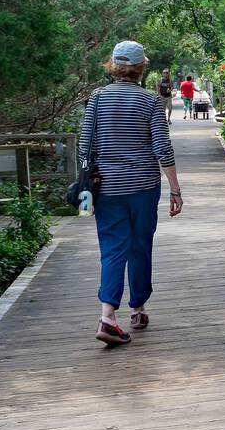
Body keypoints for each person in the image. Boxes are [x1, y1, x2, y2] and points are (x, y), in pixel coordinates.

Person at [78, 41, 183, 346]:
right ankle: (138, 309)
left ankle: (107, 317)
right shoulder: (150, 102)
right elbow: (162, 148)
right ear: (141, 68)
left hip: (106, 188)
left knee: (112, 249)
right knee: (140, 246)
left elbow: (85, 149)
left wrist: (86, 197)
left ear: (112, 65)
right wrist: (175, 190)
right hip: (143, 188)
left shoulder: (96, 100)